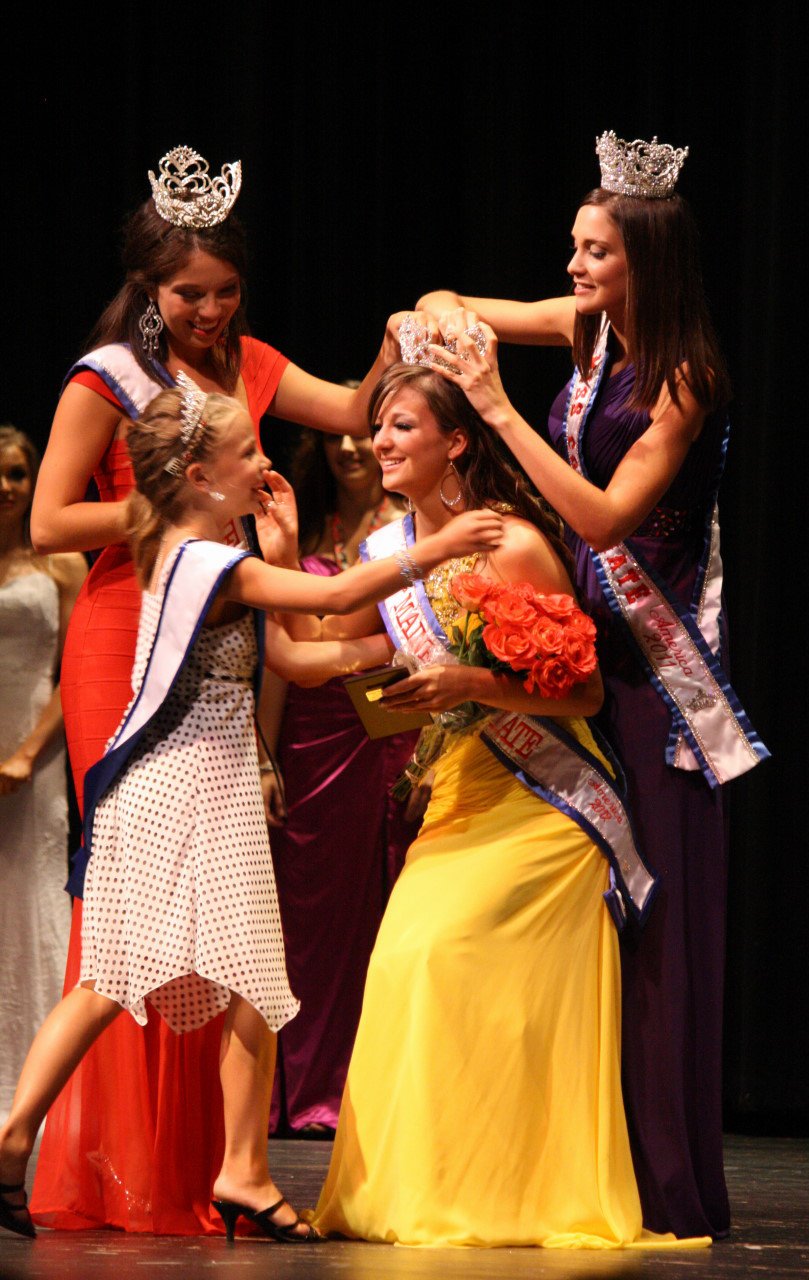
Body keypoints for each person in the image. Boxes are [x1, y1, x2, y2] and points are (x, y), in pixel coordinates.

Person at [25, 145, 427, 1234]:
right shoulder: (108, 378)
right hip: (131, 630)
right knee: (138, 901)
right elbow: (51, 520)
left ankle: (212, 1162)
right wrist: (177, 510)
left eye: (225, 292)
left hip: (229, 621)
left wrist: (398, 335)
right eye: (188, 295)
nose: (209, 313)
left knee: (221, 908)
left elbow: (353, 410)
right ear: (148, 288)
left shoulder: (249, 362)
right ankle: (118, 1162)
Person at [0, 380, 503, 1243]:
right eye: (247, 453)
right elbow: (328, 600)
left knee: (222, 979)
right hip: (183, 785)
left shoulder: (212, 547)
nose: (265, 461)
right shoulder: (200, 560)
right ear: (200, 476)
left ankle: (227, 1166)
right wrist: (441, 547)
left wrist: (413, 638)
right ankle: (40, 1140)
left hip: (201, 781)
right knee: (142, 978)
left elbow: (298, 657)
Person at [415, 130, 768, 1239]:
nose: (572, 267)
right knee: (581, 918)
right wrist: (443, 319)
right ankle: (576, 1166)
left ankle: (664, 1184)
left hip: (654, 679)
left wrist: (496, 406)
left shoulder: (684, 379)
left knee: (651, 917)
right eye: (572, 248)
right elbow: (438, 303)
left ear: (644, 260)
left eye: (594, 252)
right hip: (575, 654)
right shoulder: (584, 330)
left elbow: (606, 518)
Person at [304, 362, 707, 1249]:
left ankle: (504, 1196)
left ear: (456, 442)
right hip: (456, 794)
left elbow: (583, 695)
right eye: (378, 426)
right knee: (403, 964)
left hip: (544, 809)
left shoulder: (513, 545)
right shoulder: (388, 549)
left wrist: (471, 682)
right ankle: (418, 1191)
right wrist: (273, 543)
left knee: (446, 958)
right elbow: (314, 648)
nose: (379, 442)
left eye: (402, 426)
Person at [259, 417, 421, 1138]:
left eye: (368, 435)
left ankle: (368, 1091)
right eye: (338, 439)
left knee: (387, 912)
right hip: (312, 740)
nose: (352, 448)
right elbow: (282, 657)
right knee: (308, 920)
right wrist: (265, 753)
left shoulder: (411, 531)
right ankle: (301, 1088)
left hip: (392, 731)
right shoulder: (299, 533)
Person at [0, 428, 86, 1122]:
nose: (5, 487)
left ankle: (40, 1086)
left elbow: (77, 670)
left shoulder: (60, 561)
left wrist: (28, 751)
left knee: (32, 895)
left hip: (35, 748)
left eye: (16, 474)